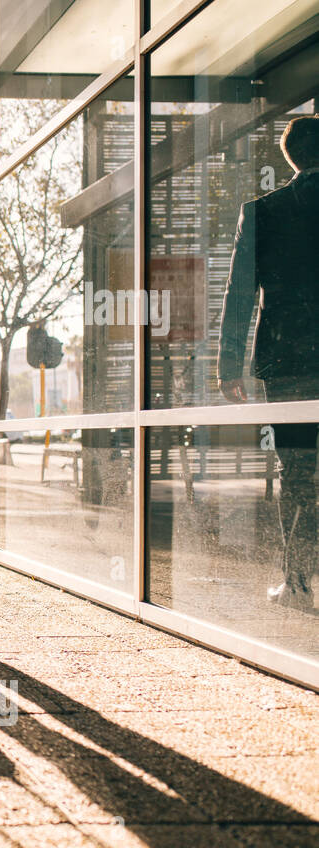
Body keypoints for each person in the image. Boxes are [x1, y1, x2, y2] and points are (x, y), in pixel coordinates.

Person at [218, 114, 319, 612]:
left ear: (291, 158)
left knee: (298, 471)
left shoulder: (264, 211)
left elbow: (239, 293)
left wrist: (228, 364)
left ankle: (298, 585)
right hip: (292, 361)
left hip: (289, 359)